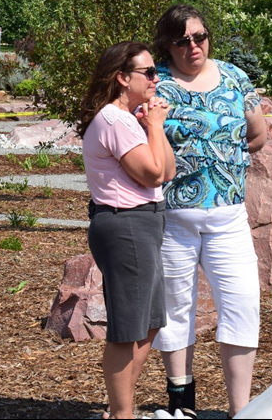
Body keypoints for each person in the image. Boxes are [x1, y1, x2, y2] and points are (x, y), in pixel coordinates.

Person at [151, 4, 267, 418]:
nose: (193, 46)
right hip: (171, 219)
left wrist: (223, 163)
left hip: (228, 217)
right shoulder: (155, 84)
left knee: (241, 303)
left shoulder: (235, 77)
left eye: (200, 37)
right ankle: (181, 403)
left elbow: (258, 134)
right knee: (175, 308)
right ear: (168, 45)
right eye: (182, 40)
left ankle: (242, 409)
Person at [79, 41, 176, 420]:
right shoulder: (114, 119)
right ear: (123, 77)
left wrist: (156, 127)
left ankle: (118, 408)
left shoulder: (130, 119)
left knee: (150, 323)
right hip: (125, 224)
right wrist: (152, 125)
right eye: (148, 72)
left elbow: (166, 171)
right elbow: (152, 172)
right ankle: (122, 414)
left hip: (145, 221)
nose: (156, 78)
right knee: (127, 328)